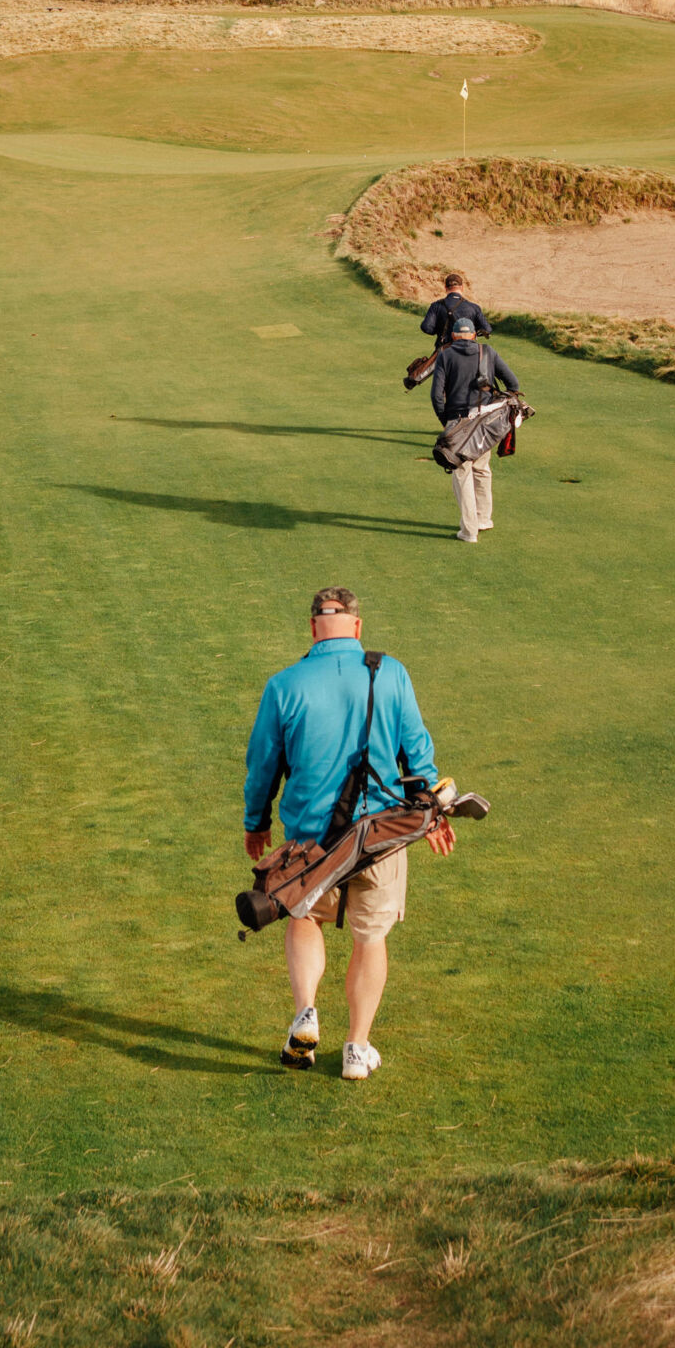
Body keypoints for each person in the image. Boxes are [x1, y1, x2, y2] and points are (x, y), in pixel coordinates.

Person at [243, 587, 455, 1081]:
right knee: (371, 936)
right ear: (357, 626)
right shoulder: (391, 673)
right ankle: (357, 1048)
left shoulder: (284, 685)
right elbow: (417, 754)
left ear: (313, 627)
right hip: (379, 837)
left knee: (304, 916)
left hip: (310, 842)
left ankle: (305, 1013)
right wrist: (433, 816)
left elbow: (263, 765)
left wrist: (257, 823)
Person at [431, 315, 520, 545]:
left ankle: (469, 531)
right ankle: (483, 519)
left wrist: (446, 422)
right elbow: (513, 385)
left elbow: (436, 395)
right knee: (481, 469)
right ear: (472, 335)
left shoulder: (445, 355)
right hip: (483, 423)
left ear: (454, 336)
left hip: (457, 422)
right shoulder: (487, 351)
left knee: (462, 473)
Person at [420, 271, 491, 348]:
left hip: (444, 349)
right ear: (462, 287)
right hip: (467, 349)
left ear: (445, 288)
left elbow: (426, 327)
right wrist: (471, 331)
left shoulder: (436, 306)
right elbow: (487, 329)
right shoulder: (474, 307)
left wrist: (441, 330)